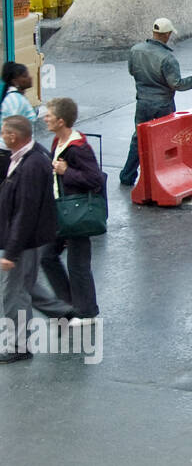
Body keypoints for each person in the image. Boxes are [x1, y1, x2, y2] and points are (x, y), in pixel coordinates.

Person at [0, 115, 68, 363]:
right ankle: (62, 312)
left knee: (13, 294)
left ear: (12, 137)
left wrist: (11, 252)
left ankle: (18, 346)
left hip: (24, 242)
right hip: (32, 238)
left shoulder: (29, 166)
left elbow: (24, 214)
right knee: (26, 284)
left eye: (3, 132)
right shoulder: (31, 155)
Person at [119, 18, 192, 187]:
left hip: (143, 103)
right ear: (166, 35)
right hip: (163, 105)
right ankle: (165, 178)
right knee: (167, 142)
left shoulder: (135, 50)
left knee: (139, 139)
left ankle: (127, 175)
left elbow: (132, 71)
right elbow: (177, 84)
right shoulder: (167, 58)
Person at [39, 98, 102, 321]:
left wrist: (67, 172)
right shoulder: (58, 141)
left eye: (49, 115)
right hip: (61, 211)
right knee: (47, 257)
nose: (45, 118)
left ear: (61, 120)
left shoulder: (78, 148)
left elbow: (95, 179)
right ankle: (67, 305)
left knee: (78, 264)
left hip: (77, 213)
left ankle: (86, 313)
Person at [1, 62, 39, 127]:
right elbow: (12, 127)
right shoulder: (15, 100)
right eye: (25, 76)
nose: (30, 78)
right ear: (15, 81)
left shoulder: (16, 97)